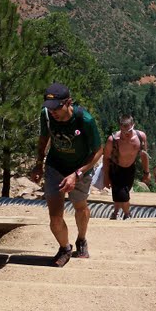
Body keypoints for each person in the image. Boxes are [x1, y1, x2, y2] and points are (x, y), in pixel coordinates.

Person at [29, 83, 102, 267]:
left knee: (80, 207)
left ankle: (82, 239)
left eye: (57, 107)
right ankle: (65, 248)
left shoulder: (85, 120)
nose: (53, 111)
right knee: (55, 218)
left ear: (68, 102)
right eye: (49, 107)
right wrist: (39, 164)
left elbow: (98, 151)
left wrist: (77, 174)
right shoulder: (46, 115)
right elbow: (43, 140)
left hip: (80, 169)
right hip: (55, 167)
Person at [103, 113, 151, 219]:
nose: (127, 134)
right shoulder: (113, 140)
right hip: (116, 168)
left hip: (130, 168)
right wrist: (106, 176)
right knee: (123, 195)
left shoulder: (140, 137)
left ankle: (115, 212)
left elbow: (144, 155)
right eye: (124, 132)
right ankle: (127, 214)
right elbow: (106, 158)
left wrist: (146, 172)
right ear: (120, 127)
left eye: (129, 131)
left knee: (122, 193)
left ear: (133, 125)